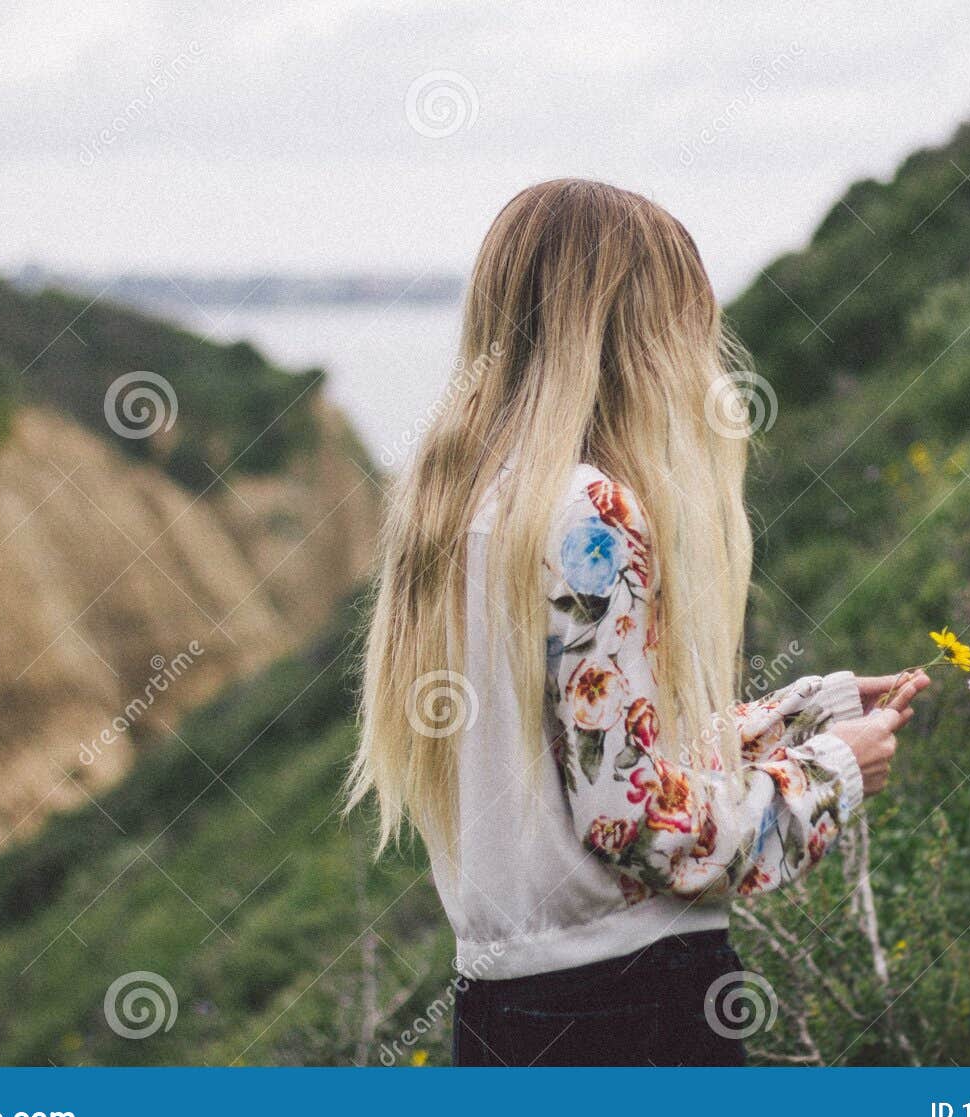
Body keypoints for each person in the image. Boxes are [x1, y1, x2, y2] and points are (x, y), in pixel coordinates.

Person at [349, 178, 929, 1066]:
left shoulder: (464, 507)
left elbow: (588, 755)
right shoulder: (593, 515)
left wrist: (807, 711)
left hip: (502, 1015)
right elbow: (636, 824)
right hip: (635, 1006)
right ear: (634, 333)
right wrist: (829, 775)